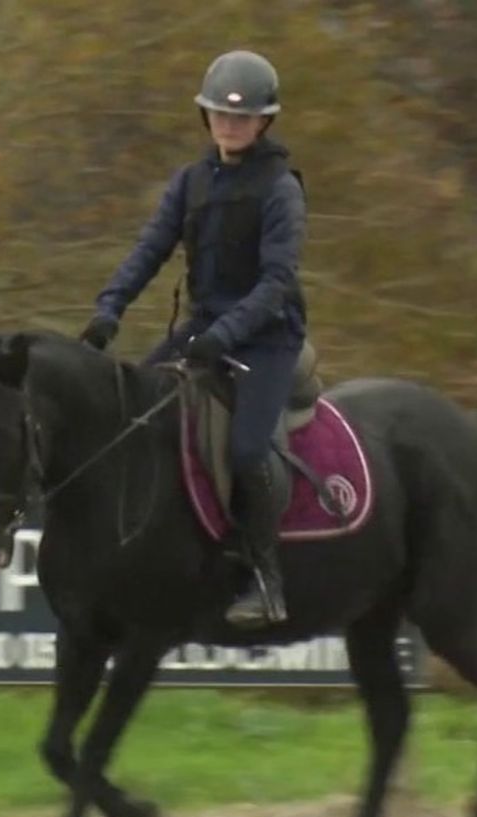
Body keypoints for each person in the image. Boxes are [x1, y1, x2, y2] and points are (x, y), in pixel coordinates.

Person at [78, 50, 307, 629]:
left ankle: (265, 576)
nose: (230, 126)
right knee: (133, 414)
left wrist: (226, 333)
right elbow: (149, 250)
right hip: (205, 330)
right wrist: (110, 309)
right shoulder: (191, 182)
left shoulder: (280, 188)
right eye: (220, 116)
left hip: (266, 339)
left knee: (249, 450)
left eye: (243, 118)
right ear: (206, 118)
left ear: (263, 123)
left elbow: (276, 283)